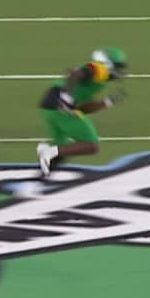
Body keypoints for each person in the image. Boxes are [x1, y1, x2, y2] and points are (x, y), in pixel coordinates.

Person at [17, 48, 128, 198]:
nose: (120, 71)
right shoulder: (99, 69)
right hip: (59, 106)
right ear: (108, 63)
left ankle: (32, 185)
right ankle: (49, 151)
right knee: (91, 146)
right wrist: (66, 99)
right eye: (118, 66)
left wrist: (107, 102)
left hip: (49, 106)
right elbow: (75, 74)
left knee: (64, 151)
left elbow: (83, 108)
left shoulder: (98, 79)